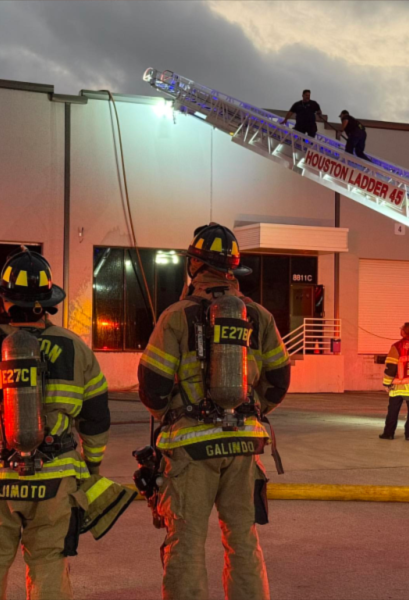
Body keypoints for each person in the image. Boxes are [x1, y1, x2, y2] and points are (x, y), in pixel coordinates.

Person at [0, 246, 111, 600]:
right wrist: (91, 466)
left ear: (4, 298)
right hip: (55, 479)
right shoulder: (75, 347)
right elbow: (96, 418)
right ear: (48, 300)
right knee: (49, 564)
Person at [138, 223, 292, 600]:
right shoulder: (259, 316)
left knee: (187, 541)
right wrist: (251, 410)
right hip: (244, 446)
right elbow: (279, 379)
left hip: (191, 448)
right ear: (233, 269)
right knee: (242, 540)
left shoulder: (177, 315)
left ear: (194, 265)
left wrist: (173, 417)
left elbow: (152, 386)